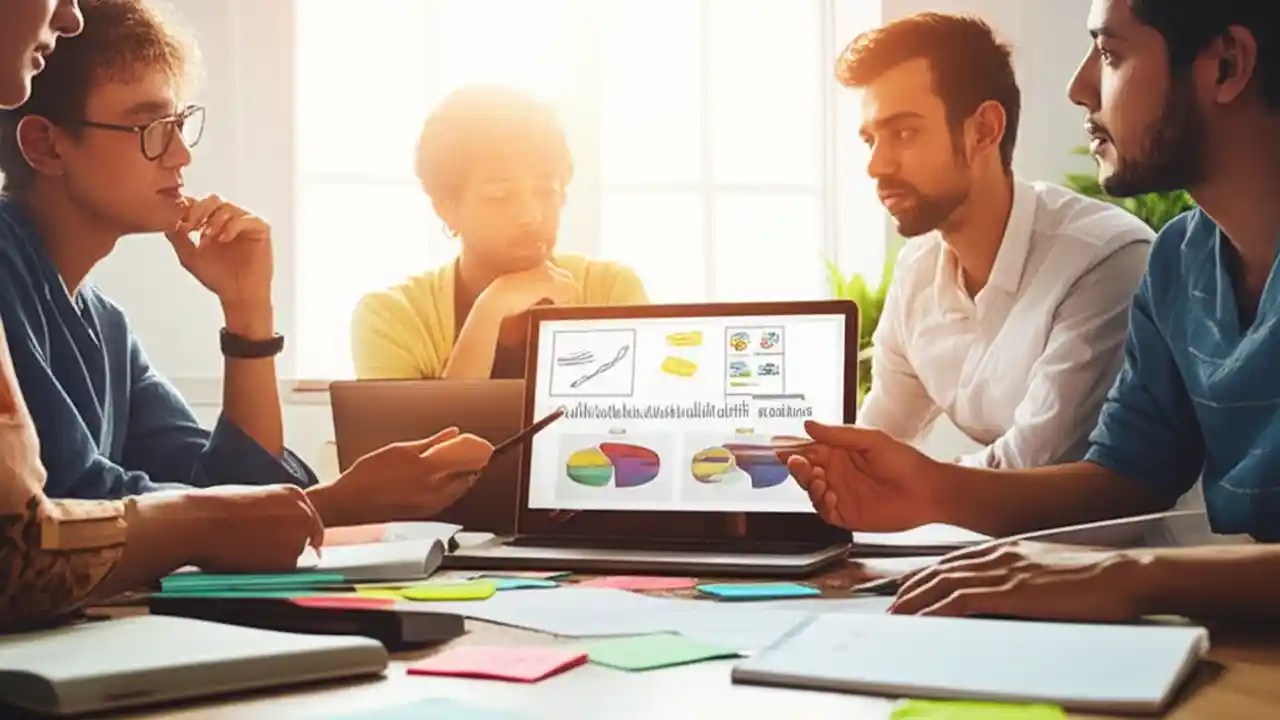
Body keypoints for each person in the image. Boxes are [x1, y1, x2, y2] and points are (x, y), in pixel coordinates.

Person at [787, 0, 1280, 621]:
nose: (1078, 88)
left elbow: (1118, 527)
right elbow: (1124, 479)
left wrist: (1131, 576)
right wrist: (929, 488)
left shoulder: (1110, 255)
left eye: (1109, 54)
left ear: (1227, 65)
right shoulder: (1180, 261)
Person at [0, 0, 492, 545]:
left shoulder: (105, 325)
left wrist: (248, 313)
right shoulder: (7, 271)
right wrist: (333, 502)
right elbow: (75, 502)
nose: (182, 154)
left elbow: (232, 484)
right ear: (46, 146)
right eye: (150, 126)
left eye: (180, 123)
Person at [844, 13, 1154, 469]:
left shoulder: (1103, 260)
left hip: (1121, 540)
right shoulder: (918, 272)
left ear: (985, 129)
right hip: (1002, 539)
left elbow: (1033, 464)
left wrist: (899, 485)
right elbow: (875, 439)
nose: (876, 165)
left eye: (904, 133)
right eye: (870, 139)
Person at [352, 85, 648, 380]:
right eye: (500, 195)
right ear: (447, 207)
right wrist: (489, 312)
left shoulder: (611, 292)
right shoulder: (391, 316)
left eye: (547, 190)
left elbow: (637, 423)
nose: (531, 215)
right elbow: (437, 429)